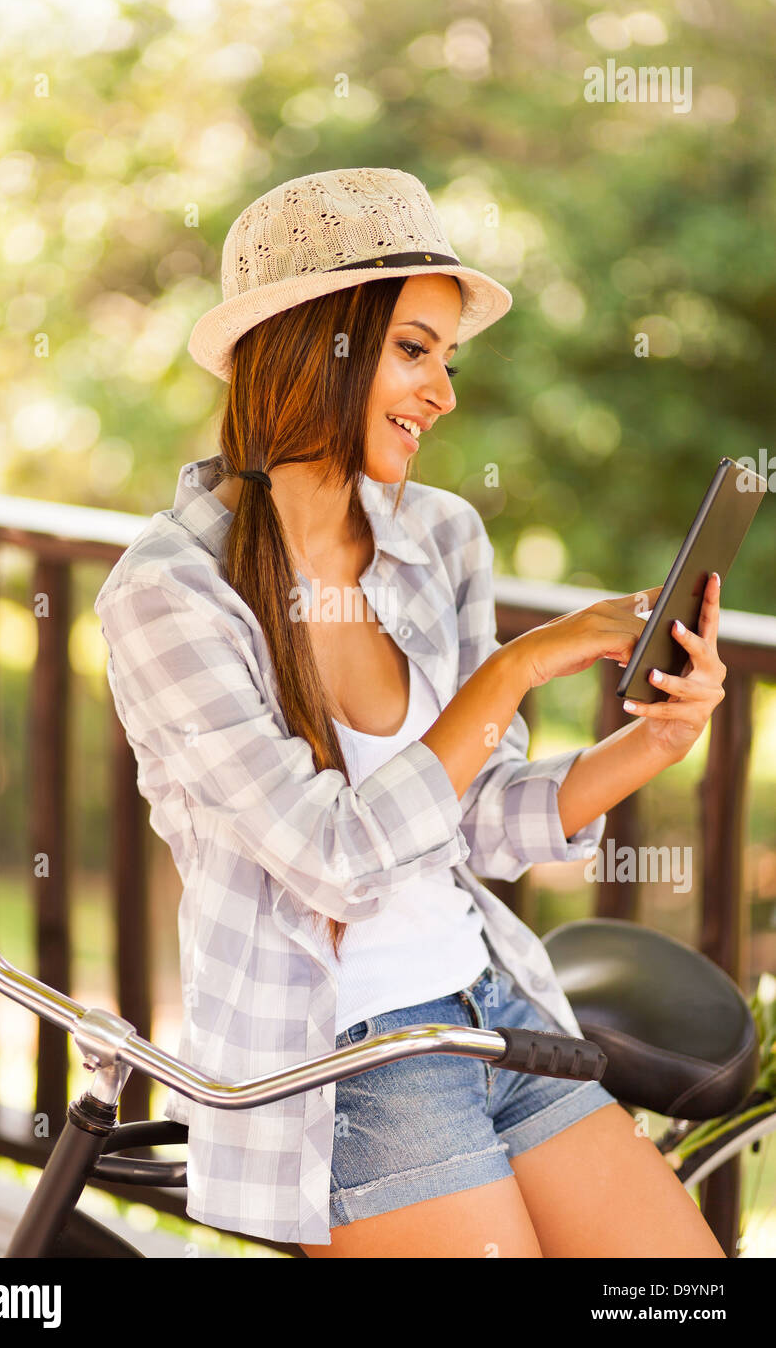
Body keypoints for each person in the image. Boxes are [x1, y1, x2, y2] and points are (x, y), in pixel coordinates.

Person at [94, 167, 727, 1258]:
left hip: (489, 1005)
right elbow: (332, 858)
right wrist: (515, 668)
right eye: (413, 349)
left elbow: (474, 817)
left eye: (445, 356)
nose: (442, 392)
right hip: (340, 1061)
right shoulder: (167, 594)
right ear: (310, 345)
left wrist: (649, 743)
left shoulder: (437, 536)